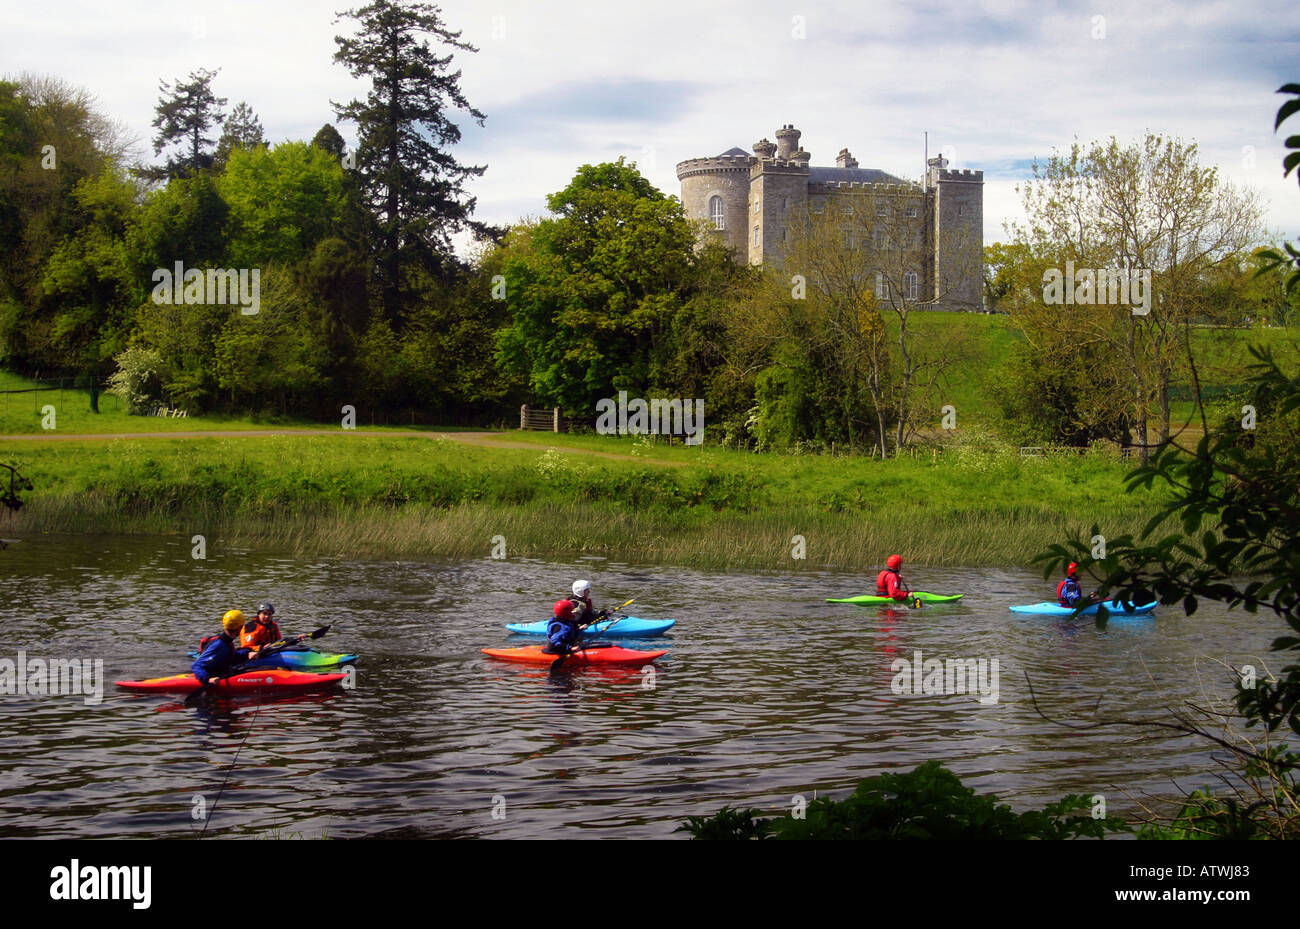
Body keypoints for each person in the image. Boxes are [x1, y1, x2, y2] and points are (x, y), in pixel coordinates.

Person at [192, 610, 252, 686]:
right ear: (239, 628)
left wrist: (248, 653)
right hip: (211, 677)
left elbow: (230, 656)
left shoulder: (226, 641)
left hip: (222, 670)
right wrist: (208, 679)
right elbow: (197, 665)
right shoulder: (219, 645)